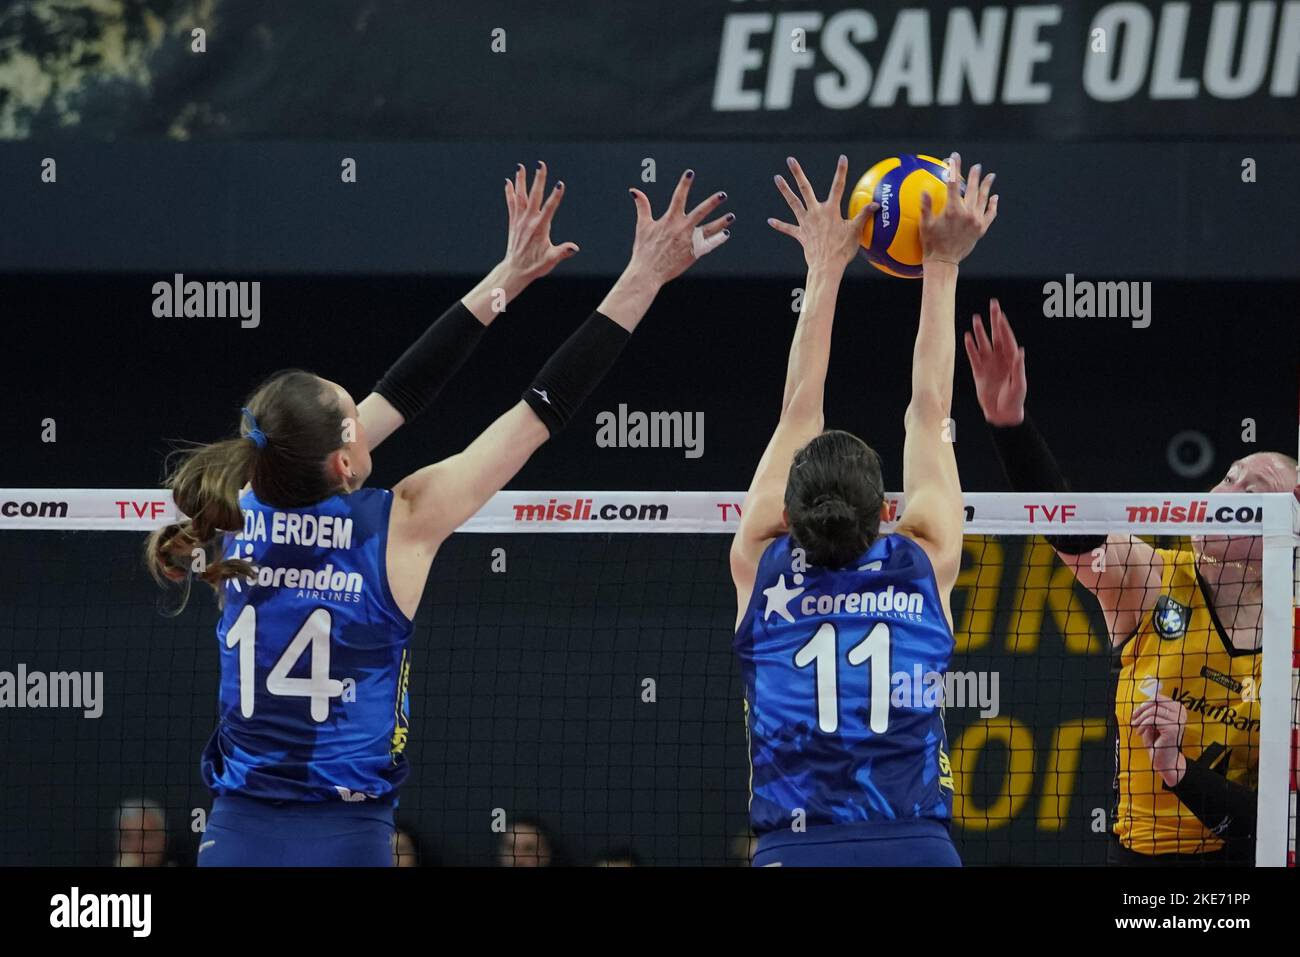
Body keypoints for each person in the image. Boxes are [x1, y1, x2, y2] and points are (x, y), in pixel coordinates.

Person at [146, 163, 732, 866]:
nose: (367, 416)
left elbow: (403, 389)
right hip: (350, 837)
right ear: (340, 460)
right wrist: (643, 278)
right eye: (352, 417)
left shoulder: (239, 501)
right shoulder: (404, 521)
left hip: (238, 833)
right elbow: (537, 413)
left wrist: (506, 279)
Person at [730, 153, 997, 866]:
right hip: (916, 846)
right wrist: (942, 263)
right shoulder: (924, 556)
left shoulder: (759, 563)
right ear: (887, 511)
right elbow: (930, 410)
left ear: (786, 514)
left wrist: (824, 266)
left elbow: (797, 408)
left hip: (798, 848)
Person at [965, 298, 1297, 865]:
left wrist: (1180, 772)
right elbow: (1075, 536)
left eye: (1253, 493)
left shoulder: (1292, 641)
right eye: (1228, 476)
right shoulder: (1153, 579)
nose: (1223, 496)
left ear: (1285, 529)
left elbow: (1279, 823)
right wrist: (1011, 426)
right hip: (1139, 864)